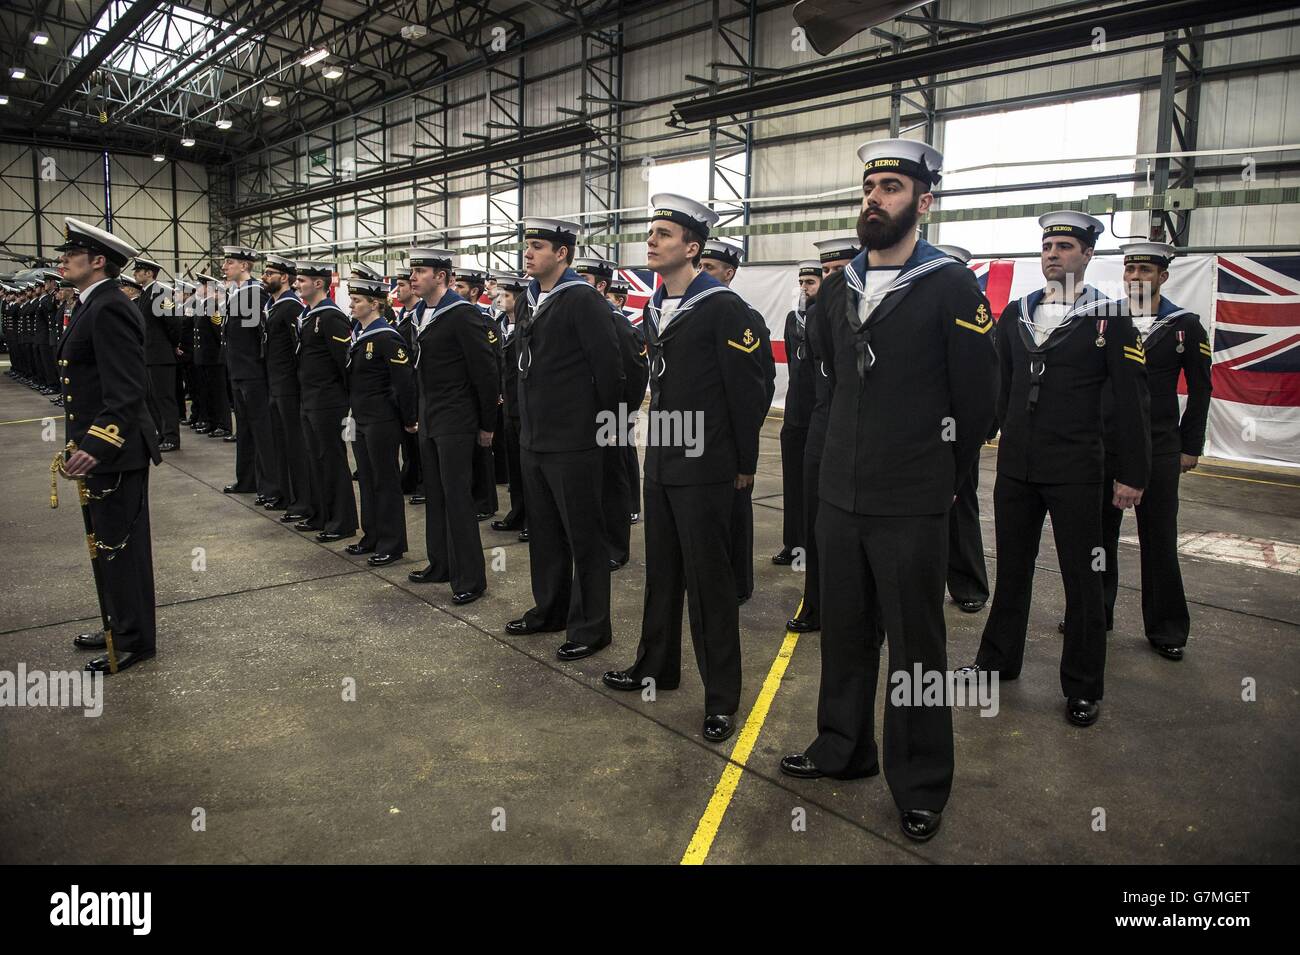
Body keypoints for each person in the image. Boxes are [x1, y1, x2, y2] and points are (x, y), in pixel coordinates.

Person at [778, 140, 998, 844]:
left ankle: (922, 780)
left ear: (924, 201)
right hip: (840, 497)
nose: (875, 197)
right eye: (870, 185)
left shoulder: (951, 286)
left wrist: (935, 472)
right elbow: (837, 386)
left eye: (893, 186)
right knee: (843, 633)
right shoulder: (842, 286)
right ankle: (844, 746)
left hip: (912, 501)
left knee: (916, 648)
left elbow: (979, 401)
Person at [960, 211, 1151, 729]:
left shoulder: (1111, 317)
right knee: (1013, 570)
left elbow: (1133, 400)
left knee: (1082, 578)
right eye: (1047, 245)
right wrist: (976, 433)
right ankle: (997, 661)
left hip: (1077, 469)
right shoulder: (1018, 311)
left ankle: (1084, 686)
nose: (1053, 253)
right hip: (1017, 468)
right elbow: (998, 382)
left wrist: (1132, 473)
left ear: (1087, 254)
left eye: (1065, 245)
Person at [603, 195, 770, 743]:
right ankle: (656, 665)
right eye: (650, 233)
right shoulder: (656, 306)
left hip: (708, 463)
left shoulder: (722, 307)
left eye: (664, 235)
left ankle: (721, 696)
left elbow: (750, 390)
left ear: (692, 248)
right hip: (665, 458)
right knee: (663, 573)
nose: (651, 241)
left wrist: (744, 462)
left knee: (710, 585)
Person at [504, 217, 623, 662]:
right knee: (546, 534)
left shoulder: (583, 300)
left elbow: (610, 370)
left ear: (562, 253)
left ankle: (592, 627)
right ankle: (550, 609)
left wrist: (601, 430)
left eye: (537, 246)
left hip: (574, 442)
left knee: (584, 537)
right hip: (535, 439)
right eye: (527, 245)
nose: (528, 252)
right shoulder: (530, 300)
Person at [55, 217, 163, 675]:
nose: (61, 260)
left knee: (122, 548)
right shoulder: (90, 303)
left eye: (70, 254)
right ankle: (118, 623)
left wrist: (97, 445)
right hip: (96, 447)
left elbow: (127, 387)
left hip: (115, 451)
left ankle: (135, 640)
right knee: (104, 545)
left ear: (97, 261)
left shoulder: (110, 306)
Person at [1097, 241, 1212, 660]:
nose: (1135, 278)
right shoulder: (1104, 320)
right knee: (1099, 536)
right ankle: (1096, 612)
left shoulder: (1185, 327)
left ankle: (1166, 628)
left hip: (1160, 447)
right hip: (1107, 445)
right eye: (1130, 270)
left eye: (1145, 270)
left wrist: (1189, 445)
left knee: (1158, 537)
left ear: (1163, 276)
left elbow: (1201, 391)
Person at [406, 248, 498, 604]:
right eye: (412, 270)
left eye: (421, 271)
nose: (413, 276)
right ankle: (440, 563)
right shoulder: (420, 312)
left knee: (458, 497)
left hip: (457, 419)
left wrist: (487, 423)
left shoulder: (462, 315)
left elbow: (485, 371)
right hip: (430, 417)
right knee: (436, 493)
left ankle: (470, 577)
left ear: (441, 276)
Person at [787, 235, 858, 633]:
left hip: (859, 433)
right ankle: (813, 602)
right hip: (821, 427)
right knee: (817, 524)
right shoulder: (814, 316)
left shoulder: (872, 312)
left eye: (839, 271)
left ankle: (850, 608)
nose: (831, 279)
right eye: (825, 271)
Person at [698, 237, 776, 603]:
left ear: (728, 273)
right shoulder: (694, 312)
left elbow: (757, 388)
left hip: (728, 441)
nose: (701, 272)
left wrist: (744, 446)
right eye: (699, 266)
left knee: (735, 516)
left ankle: (738, 585)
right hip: (698, 441)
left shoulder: (743, 316)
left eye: (709, 267)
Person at [574, 257, 649, 571]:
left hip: (610, 418)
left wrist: (621, 417)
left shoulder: (614, 320)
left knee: (612, 483)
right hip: (583, 417)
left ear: (601, 285)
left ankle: (616, 548)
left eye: (584, 277)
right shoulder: (580, 315)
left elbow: (635, 371)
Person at [933, 243, 992, 614]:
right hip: (920, 425)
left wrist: (979, 430)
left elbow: (986, 379)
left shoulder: (975, 311)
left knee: (960, 505)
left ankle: (968, 583)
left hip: (956, 428)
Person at [344, 275, 417, 566]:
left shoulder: (387, 337)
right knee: (367, 479)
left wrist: (409, 419)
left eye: (357, 300)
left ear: (375, 304)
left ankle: (392, 542)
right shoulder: (360, 333)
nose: (351, 304)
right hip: (362, 418)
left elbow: (404, 383)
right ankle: (371, 535)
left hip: (382, 421)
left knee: (385, 482)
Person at [292, 261, 359, 543]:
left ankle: (342, 521)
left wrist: (342, 399)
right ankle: (321, 513)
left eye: (301, 280)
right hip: (310, 398)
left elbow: (344, 362)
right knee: (314, 458)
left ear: (319, 284)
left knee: (331, 460)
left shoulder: (330, 317)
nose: (296, 285)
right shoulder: (310, 315)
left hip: (328, 401)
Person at [222, 246, 283, 507]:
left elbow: (259, 336)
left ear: (245, 266)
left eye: (230, 262)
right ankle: (246, 478)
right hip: (239, 372)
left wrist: (259, 370)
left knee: (261, 431)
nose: (225, 267)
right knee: (245, 429)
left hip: (253, 373)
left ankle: (269, 485)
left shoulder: (253, 293)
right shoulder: (237, 293)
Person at [775, 259, 822, 566]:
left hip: (821, 412)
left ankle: (815, 548)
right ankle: (794, 545)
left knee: (816, 488)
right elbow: (794, 364)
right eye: (802, 283)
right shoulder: (793, 319)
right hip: (795, 411)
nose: (804, 288)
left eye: (811, 283)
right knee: (793, 483)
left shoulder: (830, 317)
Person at [261, 254, 313, 525]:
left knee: (295, 446)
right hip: (276, 383)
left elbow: (296, 350)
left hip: (289, 386)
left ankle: (302, 500)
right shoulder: (275, 305)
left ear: (284, 277)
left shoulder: (291, 307)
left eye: (270, 272)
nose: (265, 276)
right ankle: (286, 494)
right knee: (280, 443)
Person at [487, 270, 528, 537]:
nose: (500, 299)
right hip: (508, 403)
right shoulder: (501, 325)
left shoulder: (528, 326)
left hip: (524, 405)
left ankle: (532, 520)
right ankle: (517, 513)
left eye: (506, 295)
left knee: (527, 468)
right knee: (514, 466)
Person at [606, 275, 645, 525]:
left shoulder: (626, 329)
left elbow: (638, 374)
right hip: (606, 405)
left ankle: (631, 504)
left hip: (621, 408)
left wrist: (627, 412)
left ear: (619, 300)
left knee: (624, 455)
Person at [134, 256, 181, 452]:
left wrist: (169, 345)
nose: (134, 274)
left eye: (138, 271)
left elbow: (173, 324)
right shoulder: (145, 294)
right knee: (151, 398)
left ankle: (171, 437)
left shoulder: (161, 293)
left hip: (161, 355)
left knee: (164, 398)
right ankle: (160, 433)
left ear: (149, 273)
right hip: (149, 355)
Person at [391, 268, 424, 499]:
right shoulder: (401, 316)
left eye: (402, 284)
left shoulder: (418, 317)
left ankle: (422, 482)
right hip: (402, 385)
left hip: (416, 383)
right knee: (408, 441)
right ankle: (411, 478)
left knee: (418, 440)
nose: (398, 289)